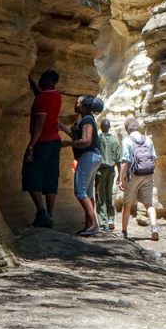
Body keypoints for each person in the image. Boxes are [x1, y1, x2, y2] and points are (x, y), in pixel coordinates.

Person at [22, 70, 61, 228]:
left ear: (44, 80)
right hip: (54, 142)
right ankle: (50, 215)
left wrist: (31, 145)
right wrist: (33, 86)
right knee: (51, 177)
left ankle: (41, 213)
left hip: (42, 142)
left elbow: (40, 123)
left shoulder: (43, 99)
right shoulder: (56, 95)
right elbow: (43, 98)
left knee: (31, 175)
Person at [62, 95, 104, 236]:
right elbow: (79, 137)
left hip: (88, 156)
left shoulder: (86, 119)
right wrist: (62, 128)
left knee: (80, 192)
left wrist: (68, 144)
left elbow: (85, 141)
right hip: (94, 156)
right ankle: (89, 225)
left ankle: (93, 225)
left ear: (84, 106)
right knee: (88, 193)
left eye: (78, 102)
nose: (75, 103)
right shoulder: (87, 119)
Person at [118, 117, 160, 241]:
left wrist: (121, 179)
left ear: (127, 129)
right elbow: (154, 158)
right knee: (149, 204)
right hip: (148, 174)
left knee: (128, 204)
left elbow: (125, 162)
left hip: (133, 175)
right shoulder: (148, 139)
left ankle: (124, 232)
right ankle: (154, 228)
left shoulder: (127, 140)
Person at [96, 118, 121, 232]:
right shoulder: (115, 140)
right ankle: (111, 219)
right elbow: (119, 159)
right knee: (109, 195)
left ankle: (103, 223)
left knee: (101, 197)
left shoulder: (98, 139)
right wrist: (120, 175)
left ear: (101, 127)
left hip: (100, 170)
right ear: (109, 127)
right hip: (111, 170)